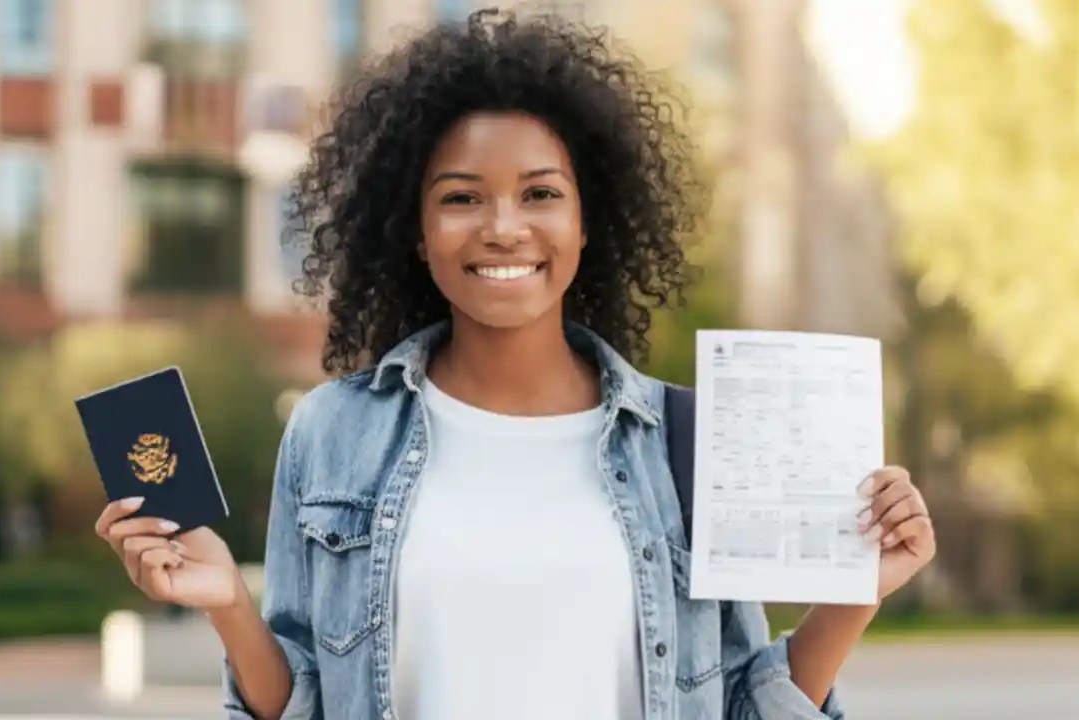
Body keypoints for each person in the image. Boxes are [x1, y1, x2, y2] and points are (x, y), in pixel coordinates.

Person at [95, 8, 936, 719]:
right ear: (415, 233)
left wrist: (857, 586)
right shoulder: (334, 431)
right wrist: (228, 606)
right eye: (461, 197)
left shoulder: (685, 441)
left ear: (586, 222)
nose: (503, 227)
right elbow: (300, 703)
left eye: (540, 193)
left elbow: (745, 705)